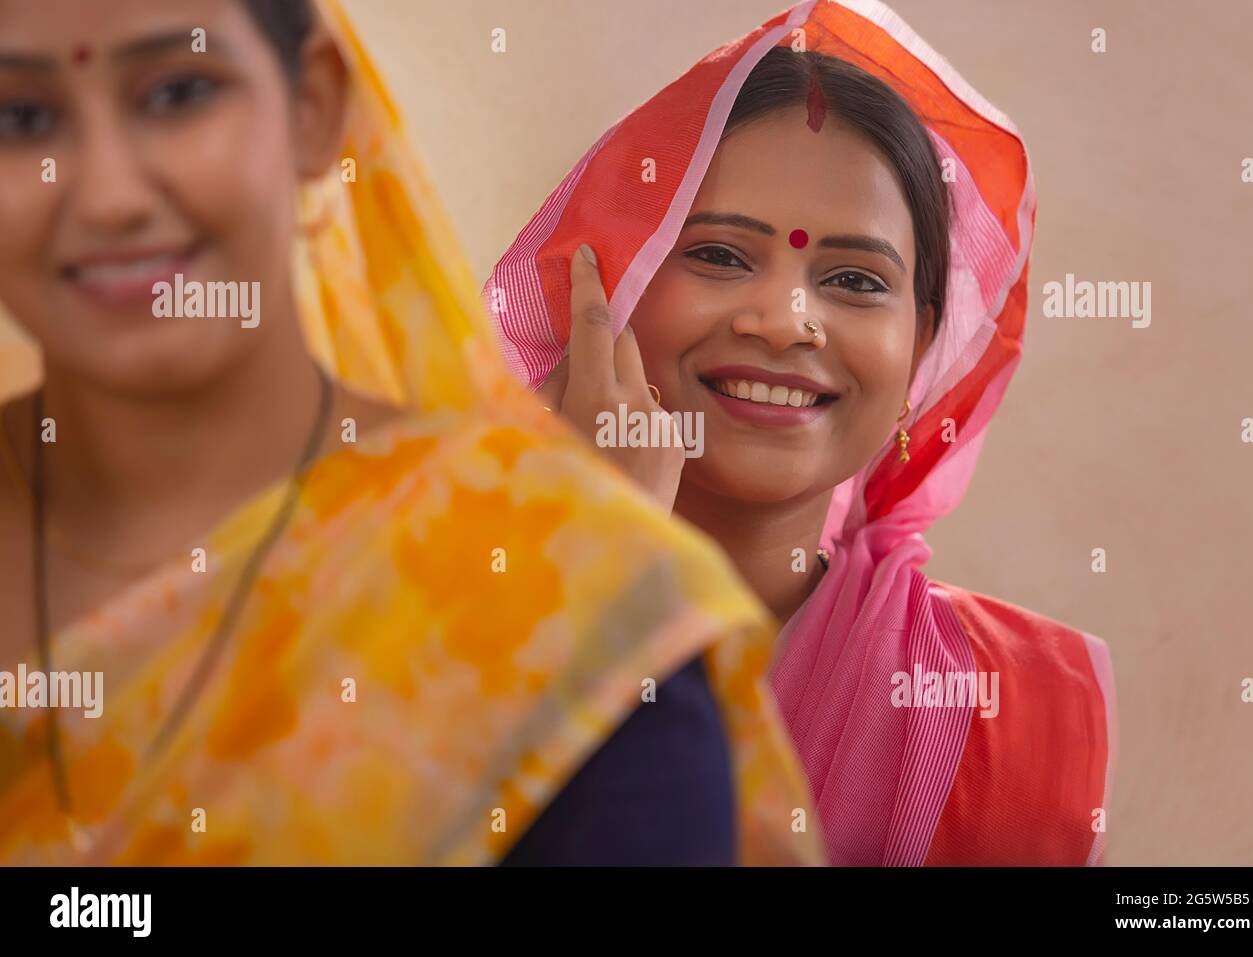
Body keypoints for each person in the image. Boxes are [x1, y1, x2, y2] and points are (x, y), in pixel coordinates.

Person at [0, 0, 822, 866]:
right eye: (19, 116)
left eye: (176, 94)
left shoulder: (569, 609)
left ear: (313, 104)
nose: (106, 195)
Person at [488, 0, 1116, 865]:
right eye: (719, 255)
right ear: (610, 292)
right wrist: (601, 570)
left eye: (855, 278)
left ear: (923, 349)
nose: (787, 324)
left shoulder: (1013, 707)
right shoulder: (431, 626)